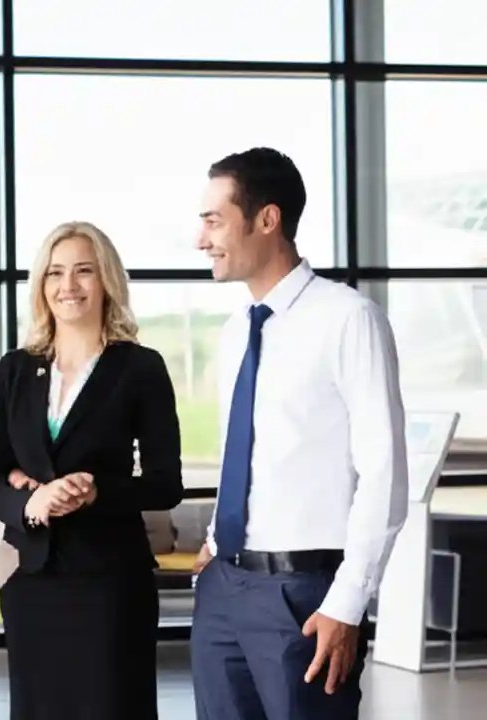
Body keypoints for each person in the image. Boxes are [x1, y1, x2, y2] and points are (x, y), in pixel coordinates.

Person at [190, 147, 409, 719]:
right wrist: (217, 539)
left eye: (214, 220)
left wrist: (348, 604)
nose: (201, 239)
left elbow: (384, 473)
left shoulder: (348, 319)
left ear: (268, 218)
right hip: (224, 588)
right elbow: (254, 449)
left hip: (304, 596)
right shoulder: (238, 328)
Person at [0, 220, 184, 720]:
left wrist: (96, 493)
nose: (68, 286)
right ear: (42, 285)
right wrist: (29, 502)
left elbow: (165, 483)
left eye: (83, 271)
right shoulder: (17, 370)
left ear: (106, 279)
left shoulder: (140, 368)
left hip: (109, 582)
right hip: (30, 581)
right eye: (55, 273)